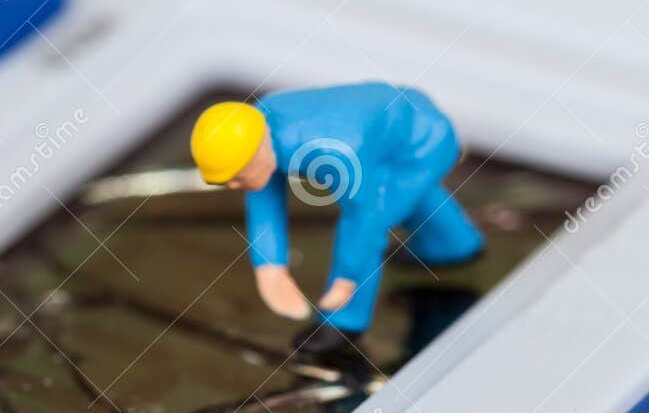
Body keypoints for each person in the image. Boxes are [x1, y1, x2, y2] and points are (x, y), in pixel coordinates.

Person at [189, 82, 483, 353]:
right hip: (400, 125)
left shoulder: (333, 153)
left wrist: (345, 280)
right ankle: (454, 245)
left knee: (376, 217)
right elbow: (264, 202)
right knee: (402, 192)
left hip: (425, 145)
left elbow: (362, 220)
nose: (232, 187)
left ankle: (344, 321)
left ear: (259, 148)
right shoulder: (258, 120)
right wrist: (270, 268)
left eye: (237, 177)